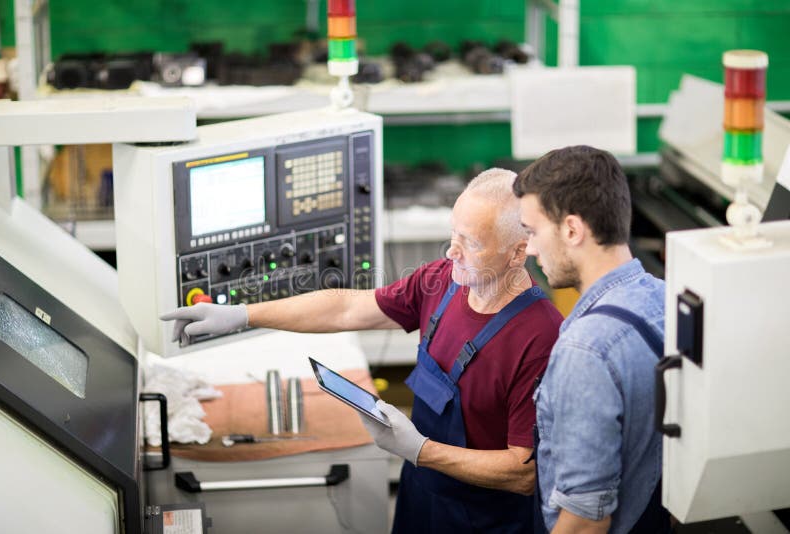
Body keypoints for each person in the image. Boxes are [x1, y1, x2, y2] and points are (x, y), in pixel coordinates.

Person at [162, 168, 563, 533]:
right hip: (420, 496)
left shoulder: (540, 338)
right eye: (452, 235)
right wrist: (242, 314)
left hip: (485, 521)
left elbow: (522, 473)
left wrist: (421, 450)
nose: (450, 252)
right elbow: (345, 308)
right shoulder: (442, 281)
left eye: (470, 243)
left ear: (518, 251)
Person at [513, 145, 671, 534]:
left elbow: (585, 520)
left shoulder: (585, 351)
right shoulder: (665, 297)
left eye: (532, 232)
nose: (529, 248)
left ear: (572, 230)